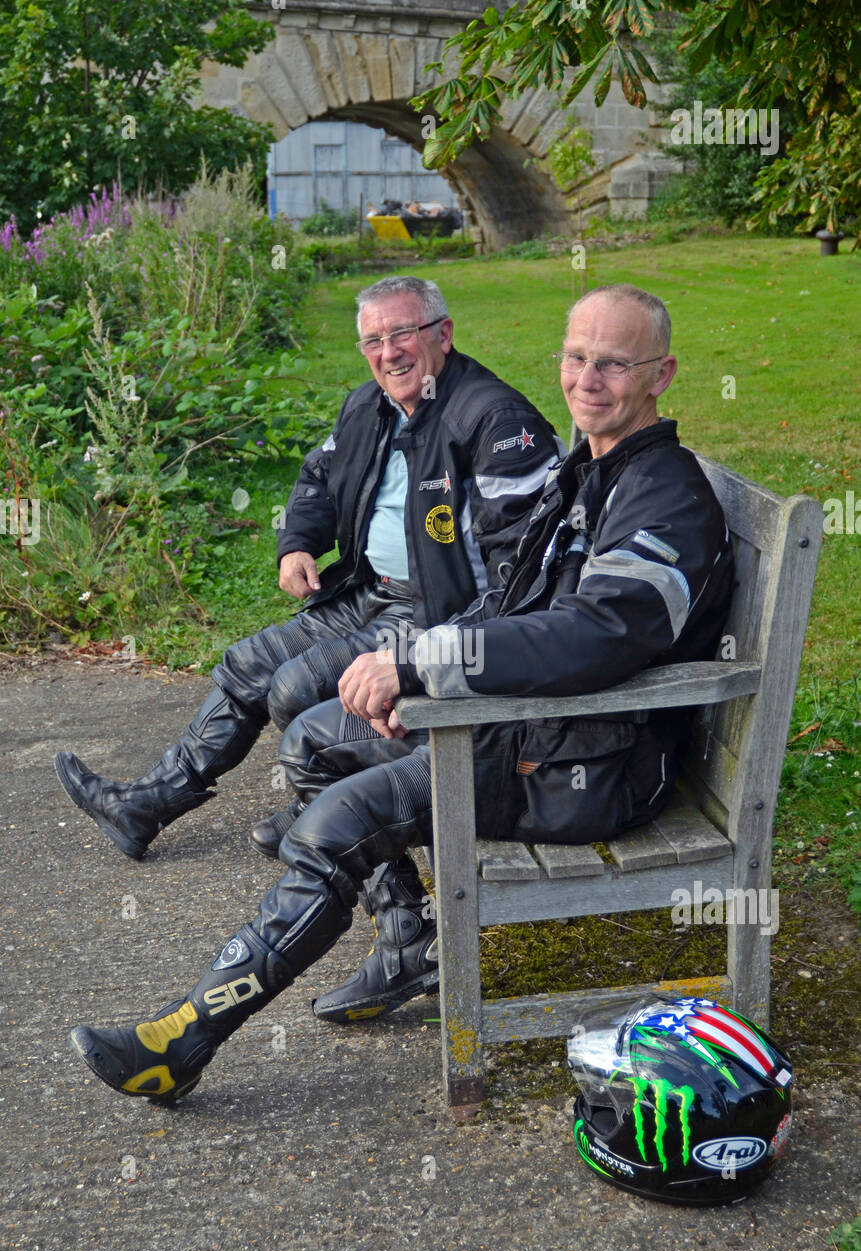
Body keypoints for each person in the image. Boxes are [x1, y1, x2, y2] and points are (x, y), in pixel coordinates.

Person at [70, 283, 735, 1105]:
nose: (586, 379)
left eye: (612, 363)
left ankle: (180, 1042)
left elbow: (598, 634)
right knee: (315, 737)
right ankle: (403, 939)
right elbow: (512, 600)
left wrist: (424, 665)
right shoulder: (591, 469)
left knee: (331, 825)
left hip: (589, 766)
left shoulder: (661, 495)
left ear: (660, 374)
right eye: (574, 357)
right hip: (524, 731)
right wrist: (418, 667)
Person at [54, 276, 560, 862]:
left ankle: (319, 812)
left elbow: (521, 574)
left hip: (437, 615)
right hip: (371, 592)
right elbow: (318, 476)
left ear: (442, 334)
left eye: (402, 333)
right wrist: (296, 543)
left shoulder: (493, 420)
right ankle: (149, 801)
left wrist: (437, 650)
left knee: (296, 687)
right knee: (249, 663)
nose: (388, 352)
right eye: (373, 340)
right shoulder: (368, 406)